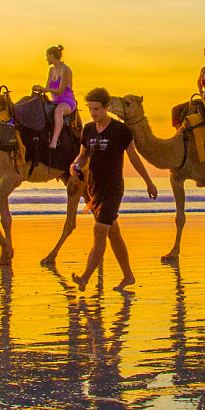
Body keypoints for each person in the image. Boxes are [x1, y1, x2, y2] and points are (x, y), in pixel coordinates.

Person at [73, 88, 157, 292]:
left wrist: (149, 182)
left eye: (97, 109)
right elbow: (82, 155)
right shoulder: (89, 130)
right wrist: (74, 165)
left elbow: (134, 157)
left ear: (107, 108)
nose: (93, 113)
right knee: (113, 233)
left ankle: (85, 277)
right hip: (95, 188)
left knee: (100, 230)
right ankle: (128, 276)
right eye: (91, 109)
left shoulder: (120, 131)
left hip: (113, 188)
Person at [41, 45, 78, 150]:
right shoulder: (51, 70)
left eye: (47, 56)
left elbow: (60, 91)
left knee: (58, 111)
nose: (46, 59)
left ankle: (54, 140)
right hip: (54, 100)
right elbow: (47, 88)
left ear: (52, 56)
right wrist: (40, 89)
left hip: (66, 101)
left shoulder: (65, 70)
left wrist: (44, 89)